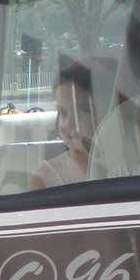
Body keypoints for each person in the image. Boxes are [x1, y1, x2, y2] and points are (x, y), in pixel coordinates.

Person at [30, 59, 114, 189]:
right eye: (63, 113)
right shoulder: (45, 179)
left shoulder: (131, 165)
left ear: (110, 112)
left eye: (85, 111)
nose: (69, 124)